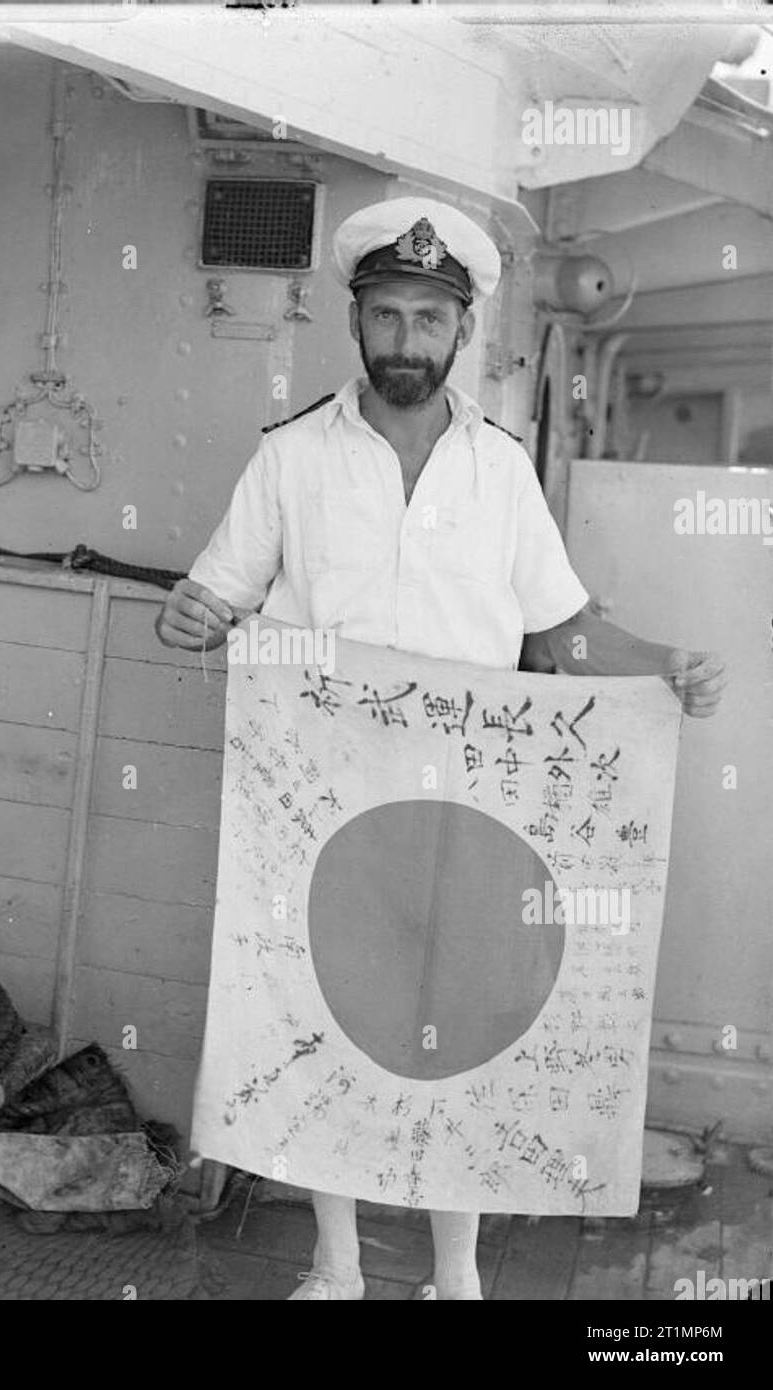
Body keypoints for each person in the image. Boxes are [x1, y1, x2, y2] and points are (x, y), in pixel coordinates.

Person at [155, 196, 727, 1300]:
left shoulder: (500, 471)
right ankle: (338, 1265)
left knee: (456, 1023)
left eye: (429, 317)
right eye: (386, 315)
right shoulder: (290, 459)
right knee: (331, 1014)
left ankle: (454, 1276)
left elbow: (561, 630)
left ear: (461, 330)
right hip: (324, 798)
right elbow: (212, 599)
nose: (406, 339)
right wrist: (186, 618)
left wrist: (666, 664)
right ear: (356, 323)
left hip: (472, 805)